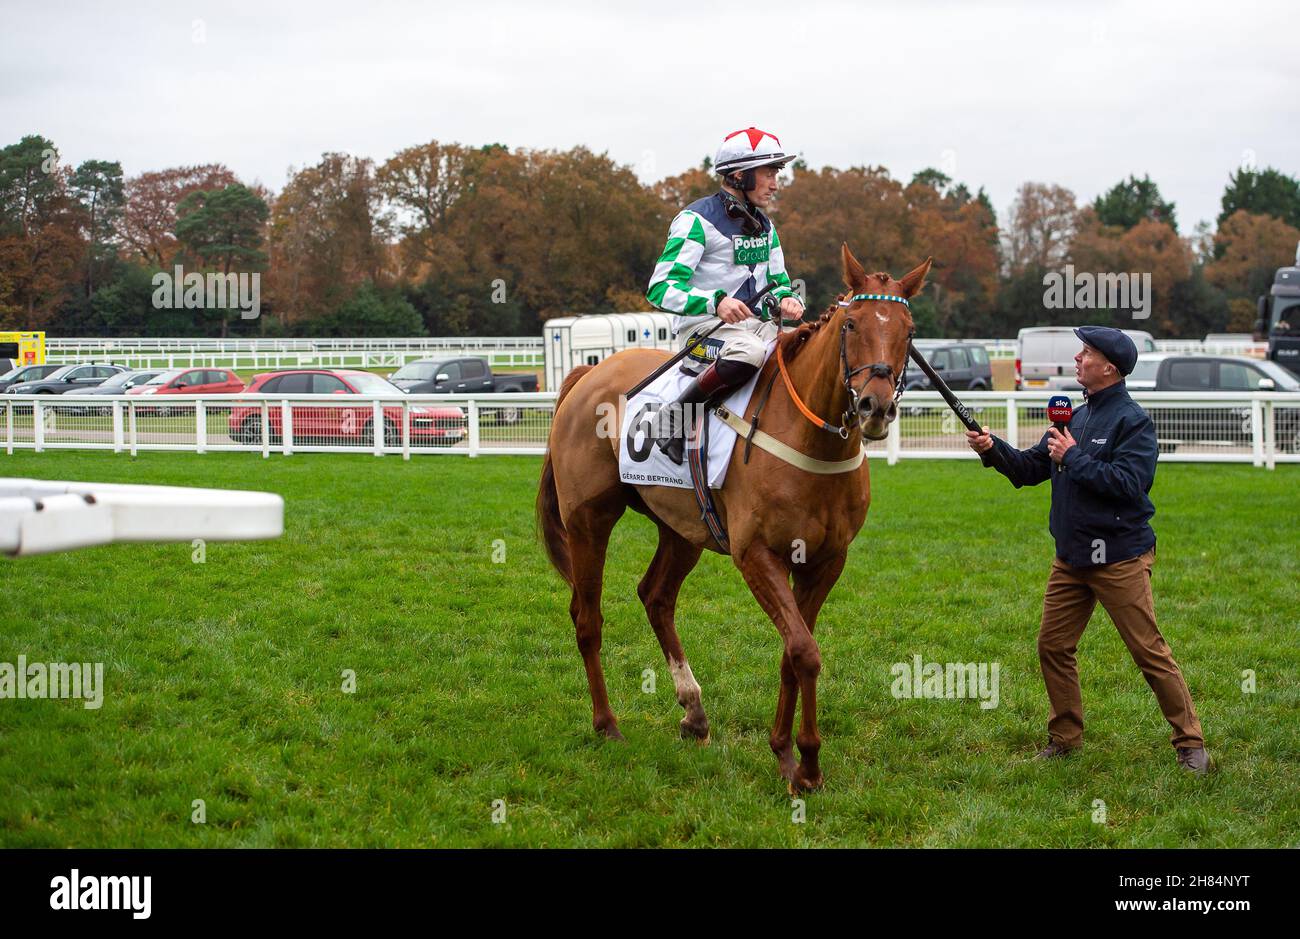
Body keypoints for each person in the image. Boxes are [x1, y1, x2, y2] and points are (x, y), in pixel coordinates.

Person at [966, 326, 1210, 773]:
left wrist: (1074, 457)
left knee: (1148, 652)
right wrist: (992, 448)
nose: (1078, 359)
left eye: (1086, 353)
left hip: (1119, 558)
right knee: (1053, 646)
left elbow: (1129, 485)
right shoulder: (1073, 418)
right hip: (1071, 558)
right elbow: (1028, 469)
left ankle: (1190, 743)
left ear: (1109, 368)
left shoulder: (1132, 421)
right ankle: (1065, 738)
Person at [644, 127, 805, 464]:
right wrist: (714, 302)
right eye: (767, 173)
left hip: (754, 329)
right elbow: (660, 288)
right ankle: (672, 421)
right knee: (750, 352)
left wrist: (788, 299)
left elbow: (778, 282)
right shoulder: (695, 220)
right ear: (739, 174)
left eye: (776, 173)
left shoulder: (766, 227)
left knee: (804, 345)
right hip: (703, 332)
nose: (775, 183)